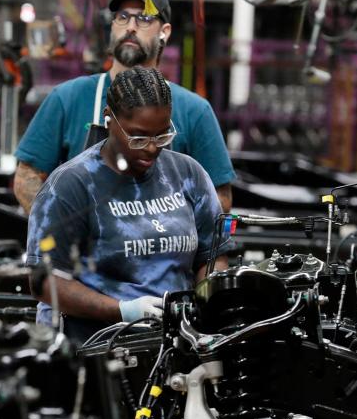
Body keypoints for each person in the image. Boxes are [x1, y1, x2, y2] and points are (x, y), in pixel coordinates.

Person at [25, 66, 223, 342]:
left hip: (175, 343)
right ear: (109, 118)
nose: (152, 148)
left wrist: (203, 308)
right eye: (138, 137)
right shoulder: (71, 186)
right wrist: (122, 310)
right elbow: (44, 282)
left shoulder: (188, 175)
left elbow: (213, 256)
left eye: (162, 136)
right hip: (96, 345)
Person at [13, 0, 236, 214]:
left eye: (144, 18)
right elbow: (27, 177)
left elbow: (220, 196)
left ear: (164, 32)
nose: (131, 26)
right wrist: (62, 225)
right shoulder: (67, 98)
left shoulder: (194, 111)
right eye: (123, 17)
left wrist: (176, 228)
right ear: (113, 26)